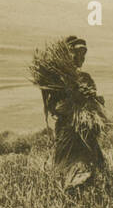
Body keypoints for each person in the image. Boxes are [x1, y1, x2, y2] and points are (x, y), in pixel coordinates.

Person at [30, 35, 106, 190]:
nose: (82, 59)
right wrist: (74, 97)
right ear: (68, 56)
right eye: (78, 55)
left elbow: (94, 101)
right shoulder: (58, 81)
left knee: (96, 163)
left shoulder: (86, 78)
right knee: (65, 162)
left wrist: (94, 99)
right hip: (68, 128)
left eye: (83, 55)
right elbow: (56, 107)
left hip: (87, 128)